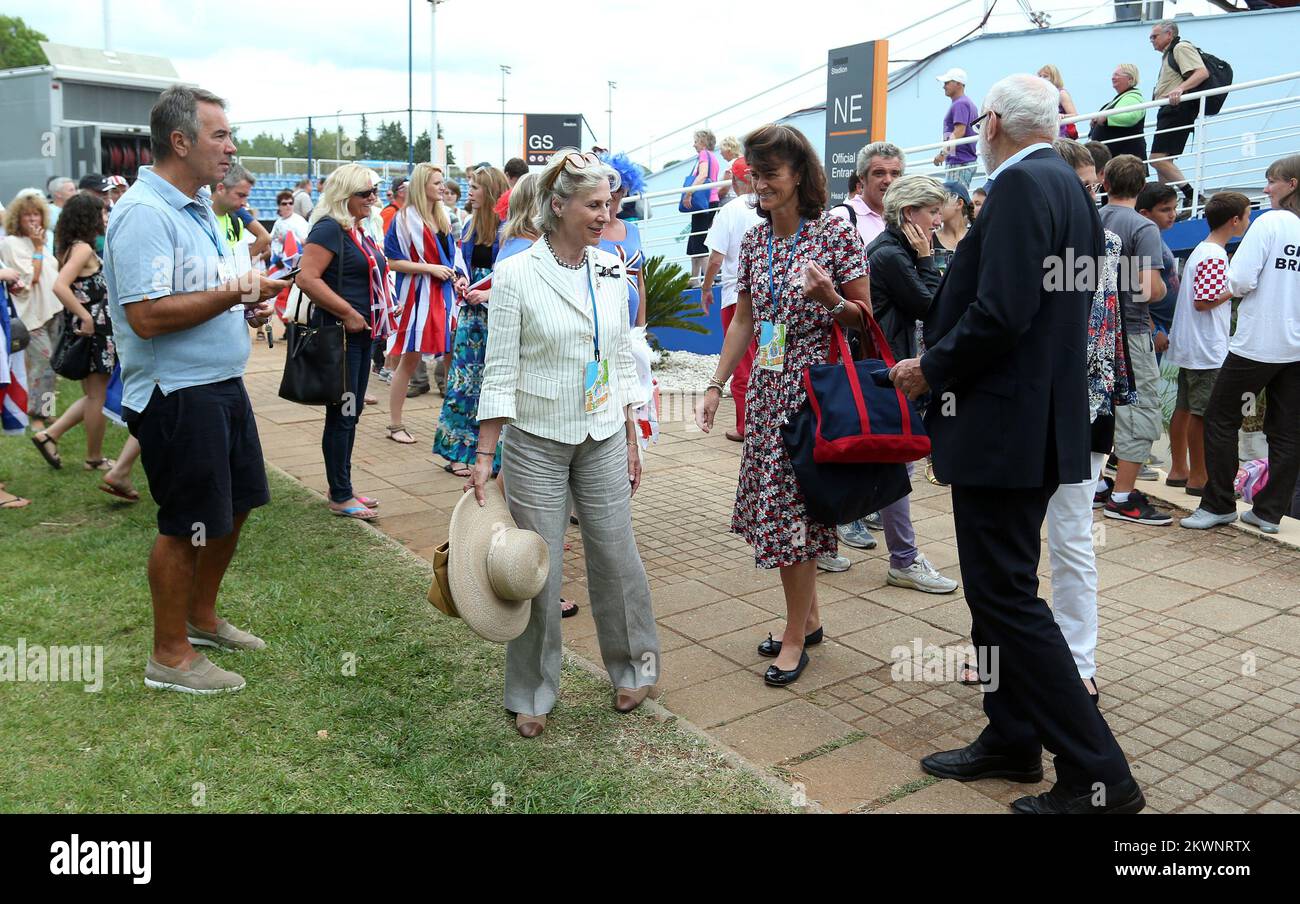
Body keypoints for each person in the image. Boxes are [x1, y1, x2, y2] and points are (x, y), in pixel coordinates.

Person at [892, 73, 1145, 814]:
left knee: (1006, 600)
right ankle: (1011, 736)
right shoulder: (1065, 182)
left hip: (1005, 427)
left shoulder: (1021, 187)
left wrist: (927, 368)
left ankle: (1101, 776)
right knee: (997, 594)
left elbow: (1000, 313)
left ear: (992, 120)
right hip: (1031, 422)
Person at [105, 84, 288, 695]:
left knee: (233, 508)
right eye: (220, 135)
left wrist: (244, 307)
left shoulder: (195, 205)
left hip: (218, 384)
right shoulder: (145, 214)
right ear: (179, 141)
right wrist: (238, 294)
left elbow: (196, 295)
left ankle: (201, 619)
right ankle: (169, 656)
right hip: (177, 394)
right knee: (186, 523)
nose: (231, 147)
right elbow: (148, 316)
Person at [471, 149, 657, 738]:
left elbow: (620, 355)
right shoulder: (517, 272)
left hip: (602, 432)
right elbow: (498, 367)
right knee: (537, 568)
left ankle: (634, 666)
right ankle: (530, 689)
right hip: (536, 439)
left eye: (609, 203)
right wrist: (483, 454)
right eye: (594, 204)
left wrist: (631, 432)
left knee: (616, 554)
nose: (605, 214)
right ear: (558, 205)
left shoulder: (610, 266)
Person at [694, 123, 873, 688]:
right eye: (754, 174)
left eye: (770, 173)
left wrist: (832, 299)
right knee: (777, 515)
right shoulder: (755, 239)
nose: (760, 184)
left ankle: (796, 636)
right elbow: (745, 319)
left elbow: (865, 317)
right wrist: (715, 385)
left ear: (800, 174)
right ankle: (810, 619)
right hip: (769, 395)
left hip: (814, 396)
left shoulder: (836, 235)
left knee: (795, 518)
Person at [1038, 139, 1131, 701]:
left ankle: (1078, 662)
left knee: (1070, 537)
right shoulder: (1021, 236)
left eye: (1091, 186)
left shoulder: (1106, 242)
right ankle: (1001, 653)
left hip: (1081, 411)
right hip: (1037, 412)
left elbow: (1095, 333)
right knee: (1015, 542)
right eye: (1081, 185)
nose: (1087, 195)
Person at [1182, 156, 1300, 535]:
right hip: (1296, 347)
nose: (1266, 189)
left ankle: (1218, 503)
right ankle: (1268, 513)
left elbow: (1240, 279)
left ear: (1292, 185)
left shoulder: (1269, 223)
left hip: (1257, 344)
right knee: (1286, 431)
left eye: (1272, 182)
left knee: (1220, 418)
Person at [859, 174, 960, 595]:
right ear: (908, 214)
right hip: (888, 370)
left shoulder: (891, 249)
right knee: (898, 462)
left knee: (885, 461)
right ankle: (903, 558)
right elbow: (933, 307)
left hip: (888, 366)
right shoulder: (891, 255)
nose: (938, 220)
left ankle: (832, 533)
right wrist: (926, 259)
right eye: (932, 212)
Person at [297, 163, 394, 521]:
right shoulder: (328, 229)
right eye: (365, 193)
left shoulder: (355, 229)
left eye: (374, 192)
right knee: (343, 413)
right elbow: (307, 278)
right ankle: (339, 493)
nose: (373, 199)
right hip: (342, 333)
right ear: (345, 196)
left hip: (361, 333)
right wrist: (348, 313)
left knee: (351, 413)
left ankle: (343, 485)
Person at [1164, 192, 1251, 497]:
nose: (1249, 220)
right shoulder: (1215, 255)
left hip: (1190, 344)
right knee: (1203, 413)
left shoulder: (1202, 250)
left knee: (1185, 408)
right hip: (1207, 347)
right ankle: (1199, 477)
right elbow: (1204, 301)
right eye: (1247, 214)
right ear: (1234, 220)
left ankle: (1179, 470)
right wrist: (1238, 288)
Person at [1099, 155, 1171, 525]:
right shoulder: (1143, 228)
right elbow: (1148, 288)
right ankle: (1123, 496)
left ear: (1104, 181)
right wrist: (1162, 289)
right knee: (1140, 410)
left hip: (1093, 331)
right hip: (1131, 330)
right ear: (1141, 187)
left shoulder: (1088, 219)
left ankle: (1095, 485)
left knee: (1096, 406)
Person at [383, 163, 465, 445]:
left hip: (445, 297)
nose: (443, 187)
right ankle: (395, 424)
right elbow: (392, 261)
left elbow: (454, 255)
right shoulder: (404, 219)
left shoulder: (443, 215)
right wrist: (429, 268)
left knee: (453, 359)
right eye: (437, 183)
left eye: (442, 182)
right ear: (422, 186)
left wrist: (459, 276)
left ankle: (454, 427)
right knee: (410, 359)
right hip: (418, 298)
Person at [434, 165, 508, 477]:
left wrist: (487, 294)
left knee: (494, 385)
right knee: (463, 381)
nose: (470, 192)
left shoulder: (509, 229)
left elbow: (511, 276)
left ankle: (494, 455)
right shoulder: (468, 226)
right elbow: (461, 265)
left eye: (475, 187)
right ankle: (456, 451)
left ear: (489, 191)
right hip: (470, 316)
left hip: (498, 316)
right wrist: (461, 282)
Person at [701, 156, 762, 442]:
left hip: (736, 297)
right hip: (769, 298)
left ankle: (746, 426)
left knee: (743, 363)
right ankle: (770, 425)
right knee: (772, 359)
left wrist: (705, 289)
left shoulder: (730, 210)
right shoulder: (771, 208)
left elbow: (715, 258)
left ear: (737, 181)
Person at [0, 191, 62, 431]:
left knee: (52, 365)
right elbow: (31, 278)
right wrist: (37, 247)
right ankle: (35, 413)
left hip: (52, 310)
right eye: (27, 215)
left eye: (36, 214)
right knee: (42, 362)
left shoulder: (42, 242)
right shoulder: (12, 244)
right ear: (18, 218)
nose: (33, 219)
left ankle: (47, 411)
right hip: (31, 316)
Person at [1149, 20, 1210, 214]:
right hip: (1170, 109)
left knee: (1157, 160)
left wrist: (1180, 89)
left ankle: (1192, 195)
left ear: (1169, 35)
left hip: (1177, 109)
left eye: (1154, 36)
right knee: (1164, 163)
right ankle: (1167, 206)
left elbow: (1202, 73)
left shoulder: (1181, 47)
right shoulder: (1169, 54)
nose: (1151, 40)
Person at [597, 152, 648, 327]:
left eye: (617, 189)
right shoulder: (590, 231)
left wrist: (641, 330)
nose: (611, 195)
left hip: (631, 330)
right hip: (601, 326)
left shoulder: (632, 230)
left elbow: (640, 283)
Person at [832, 140, 905, 247]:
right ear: (862, 177)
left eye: (895, 174)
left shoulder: (906, 217)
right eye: (879, 173)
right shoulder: (840, 217)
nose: (888, 180)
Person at [211, 163, 271, 263]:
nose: (244, 203)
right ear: (220, 189)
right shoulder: (197, 220)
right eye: (240, 195)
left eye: (246, 196)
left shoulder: (236, 222)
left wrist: (242, 267)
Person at [684, 129, 723, 282]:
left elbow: (703, 175)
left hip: (704, 201)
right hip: (710, 200)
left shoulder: (704, 155)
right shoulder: (713, 157)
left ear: (703, 142)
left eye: (696, 141)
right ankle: (694, 279)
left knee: (699, 240)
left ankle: (708, 279)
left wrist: (689, 193)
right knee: (694, 240)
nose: (694, 145)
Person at [1089, 63, 1148, 163]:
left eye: (1117, 75)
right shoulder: (1122, 98)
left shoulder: (1132, 97)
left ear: (1130, 79)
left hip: (1124, 157)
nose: (1113, 77)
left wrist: (1107, 118)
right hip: (1116, 156)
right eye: (1113, 75)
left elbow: (1132, 116)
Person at [932, 68, 978, 188]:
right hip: (963, 160)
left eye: (947, 83)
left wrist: (943, 153)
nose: (944, 86)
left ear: (958, 84)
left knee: (955, 200)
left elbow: (959, 131)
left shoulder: (960, 104)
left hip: (959, 161)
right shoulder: (966, 103)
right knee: (957, 199)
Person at [931, 180, 972, 274]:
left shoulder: (976, 237)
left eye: (942, 201)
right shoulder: (929, 239)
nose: (937, 206)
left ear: (959, 204)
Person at [1037, 65, 1078, 138]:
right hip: (1045, 134)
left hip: (1061, 135)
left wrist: (1062, 116)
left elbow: (1074, 115)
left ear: (1054, 78)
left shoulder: (1061, 93)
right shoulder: (1039, 95)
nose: (1041, 79)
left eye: (1045, 76)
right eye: (1040, 76)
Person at [46, 177, 77, 253]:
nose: (76, 193)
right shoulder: (48, 214)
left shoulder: (77, 211)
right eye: (71, 190)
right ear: (58, 194)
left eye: (75, 189)